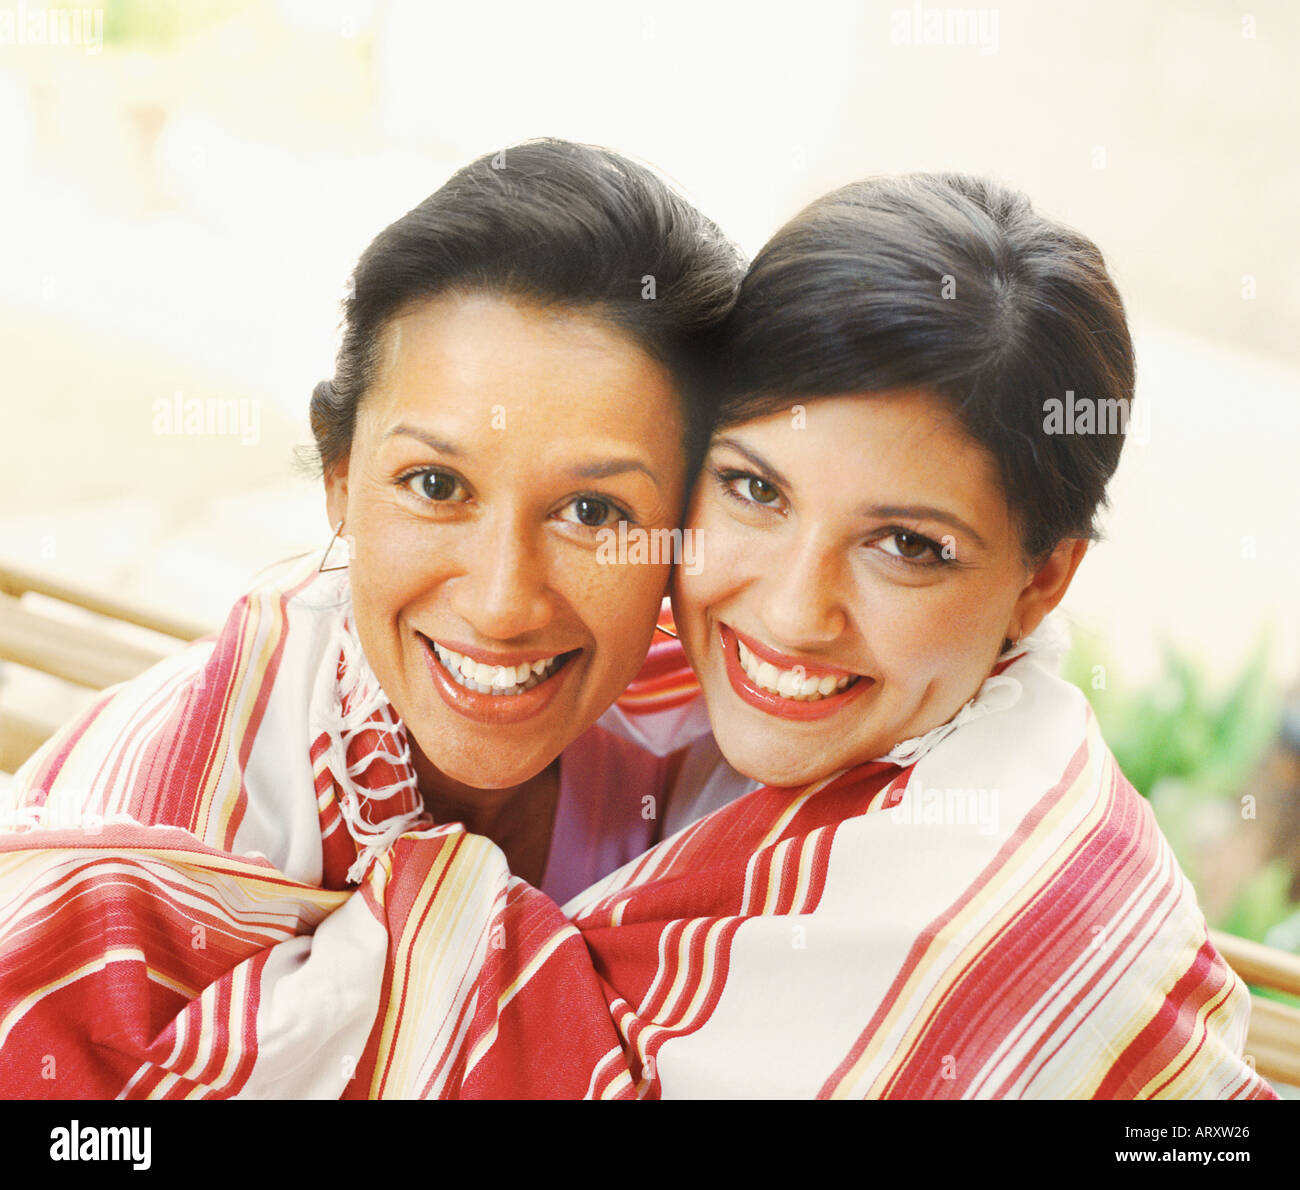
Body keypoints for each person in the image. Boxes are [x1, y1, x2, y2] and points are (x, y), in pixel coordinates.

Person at [0, 172, 1272, 1100]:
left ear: (1042, 585)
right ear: (336, 476)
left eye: (908, 545)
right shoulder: (212, 779)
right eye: (757, 491)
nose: (788, 610)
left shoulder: (983, 868)